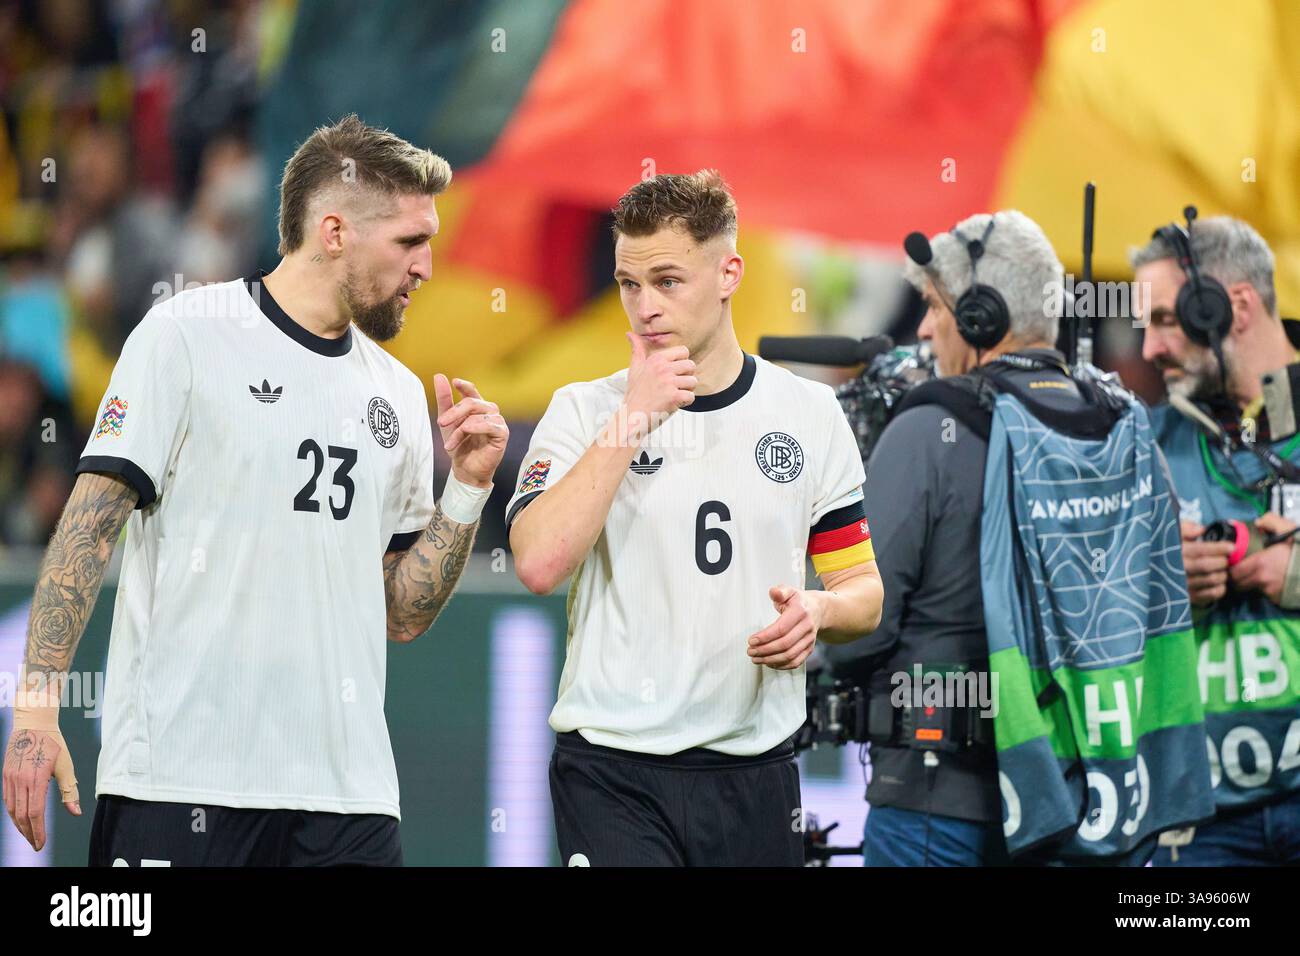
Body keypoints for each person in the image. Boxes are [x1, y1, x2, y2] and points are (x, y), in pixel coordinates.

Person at [2, 115, 508, 866]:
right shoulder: (185, 338)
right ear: (333, 231)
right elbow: (87, 530)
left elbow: (401, 612)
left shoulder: (397, 396)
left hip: (348, 799)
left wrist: (467, 489)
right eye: (409, 242)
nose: (426, 267)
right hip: (181, 784)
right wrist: (38, 707)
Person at [507, 170, 884, 867]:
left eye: (668, 281)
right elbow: (537, 562)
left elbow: (863, 590)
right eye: (628, 284)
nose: (644, 306)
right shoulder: (585, 410)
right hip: (612, 771)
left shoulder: (808, 415)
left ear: (728, 273)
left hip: (756, 771)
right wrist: (635, 419)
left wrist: (819, 610)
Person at [854, 210, 1211, 866]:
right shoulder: (1131, 430)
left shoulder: (925, 429)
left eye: (935, 307)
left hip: (940, 810)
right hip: (1097, 808)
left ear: (981, 314)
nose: (926, 328)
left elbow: (861, 628)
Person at [1133, 212, 1300, 865]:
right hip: (1201, 820)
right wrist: (1161, 583)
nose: (1148, 349)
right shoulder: (1142, 442)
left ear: (1234, 306)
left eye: (1166, 321)